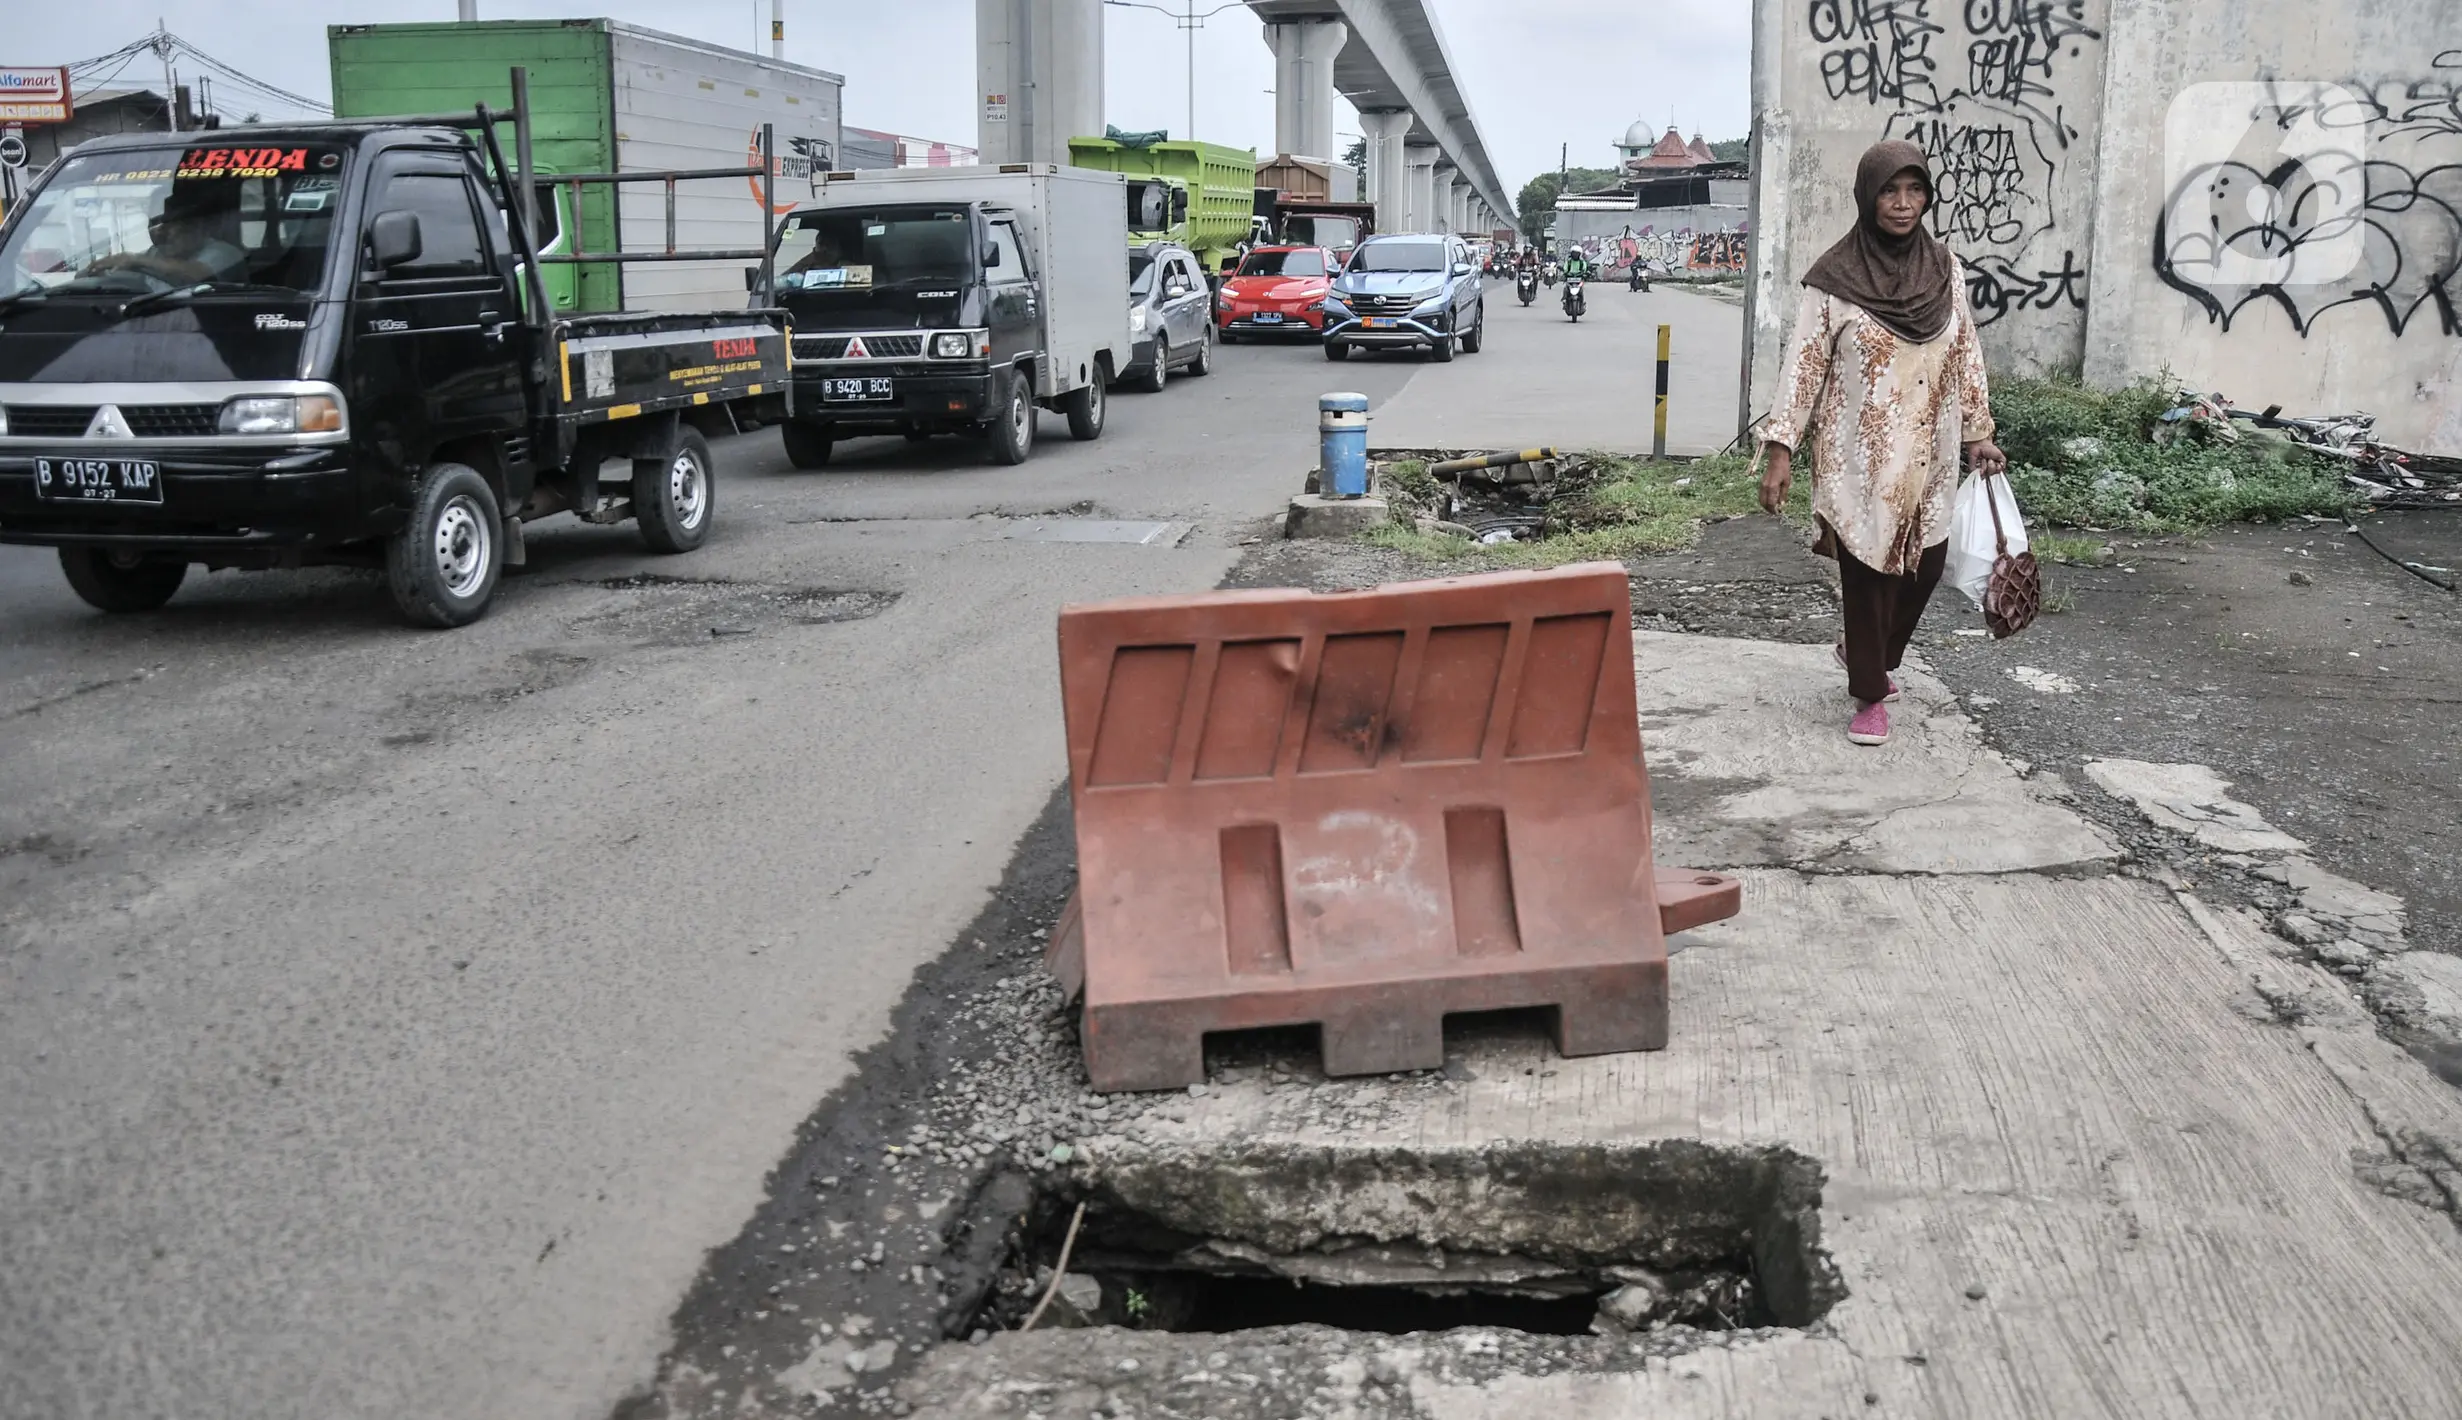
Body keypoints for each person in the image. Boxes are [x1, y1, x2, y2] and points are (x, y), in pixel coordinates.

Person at [1755, 139, 2007, 748]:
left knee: (1927, 564)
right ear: (1868, 197)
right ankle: (1871, 692)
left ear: (1927, 195)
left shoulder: (1946, 269)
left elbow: (1967, 352)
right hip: (1858, 453)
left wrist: (1979, 432)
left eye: (1914, 190)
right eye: (1890, 191)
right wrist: (1781, 446)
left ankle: (1862, 654)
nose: (1902, 203)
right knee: (1869, 568)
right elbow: (1804, 366)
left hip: (1932, 449)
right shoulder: (1834, 280)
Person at [84, 184, 246, 287]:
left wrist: (136, 261)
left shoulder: (224, 253)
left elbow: (198, 274)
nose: (158, 231)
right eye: (152, 222)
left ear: (196, 225)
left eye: (168, 223)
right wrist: (97, 272)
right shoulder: (153, 254)